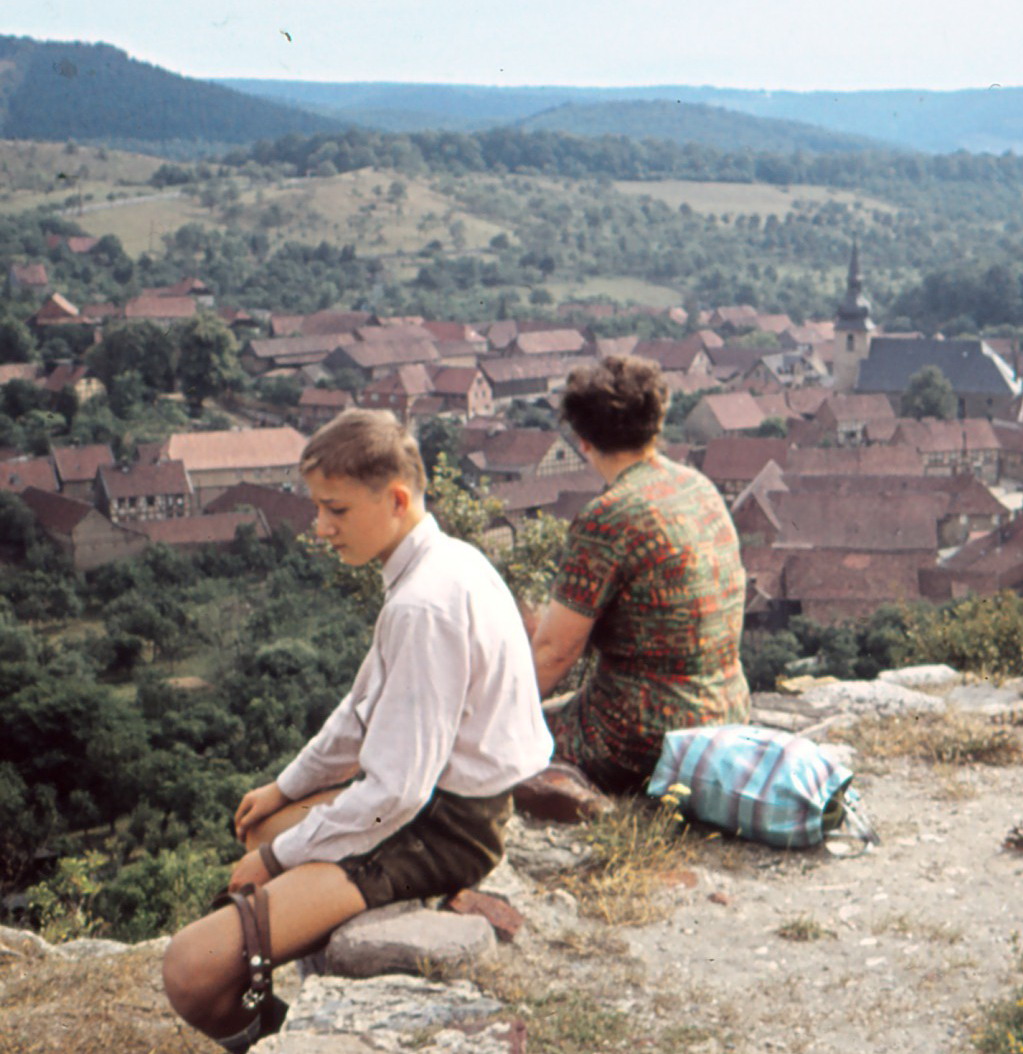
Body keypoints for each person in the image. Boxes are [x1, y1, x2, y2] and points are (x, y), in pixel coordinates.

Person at [162, 409, 552, 1052]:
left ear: (396, 499)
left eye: (334, 509)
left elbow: (397, 793)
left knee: (190, 971)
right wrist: (286, 789)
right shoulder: (441, 563)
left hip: (443, 830)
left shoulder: (423, 606)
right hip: (439, 809)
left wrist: (275, 859)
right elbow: (361, 706)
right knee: (260, 825)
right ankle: (288, 997)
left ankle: (280, 1036)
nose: (320, 527)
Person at [522, 355, 750, 804]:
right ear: (657, 422)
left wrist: (497, 717)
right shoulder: (698, 486)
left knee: (487, 748)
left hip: (641, 739)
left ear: (583, 440)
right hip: (728, 717)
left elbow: (555, 653)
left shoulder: (608, 517)